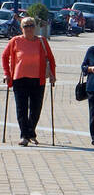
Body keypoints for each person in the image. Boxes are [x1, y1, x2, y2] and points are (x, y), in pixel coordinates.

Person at [2, 16, 57, 146]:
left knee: (36, 109)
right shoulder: (15, 41)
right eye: (26, 26)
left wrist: (53, 75)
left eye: (31, 25)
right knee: (21, 109)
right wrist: (7, 74)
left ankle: (31, 132)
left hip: (38, 79)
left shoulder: (41, 41)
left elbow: (51, 58)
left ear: (35, 27)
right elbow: (4, 57)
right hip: (19, 79)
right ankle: (24, 135)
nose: (29, 28)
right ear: (21, 28)